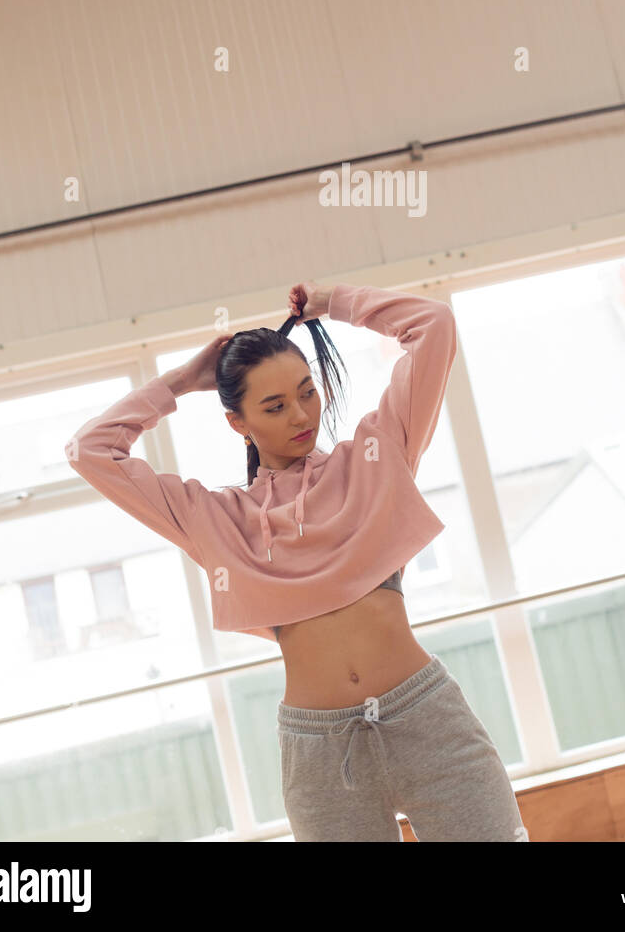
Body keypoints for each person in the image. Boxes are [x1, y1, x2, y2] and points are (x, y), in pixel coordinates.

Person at [65, 279, 529, 842]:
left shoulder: (377, 458)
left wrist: (333, 304)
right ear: (239, 423)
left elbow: (433, 325)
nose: (301, 414)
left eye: (308, 391)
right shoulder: (216, 518)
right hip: (321, 753)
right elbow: (91, 449)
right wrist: (183, 381)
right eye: (275, 405)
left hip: (428, 720)